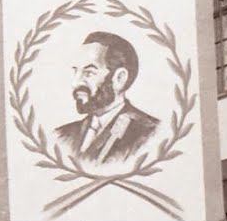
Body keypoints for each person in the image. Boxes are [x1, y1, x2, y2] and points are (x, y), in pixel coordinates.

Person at [54, 30, 161, 165]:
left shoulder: (151, 134)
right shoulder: (62, 135)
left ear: (119, 78)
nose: (75, 83)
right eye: (76, 71)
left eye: (89, 73)